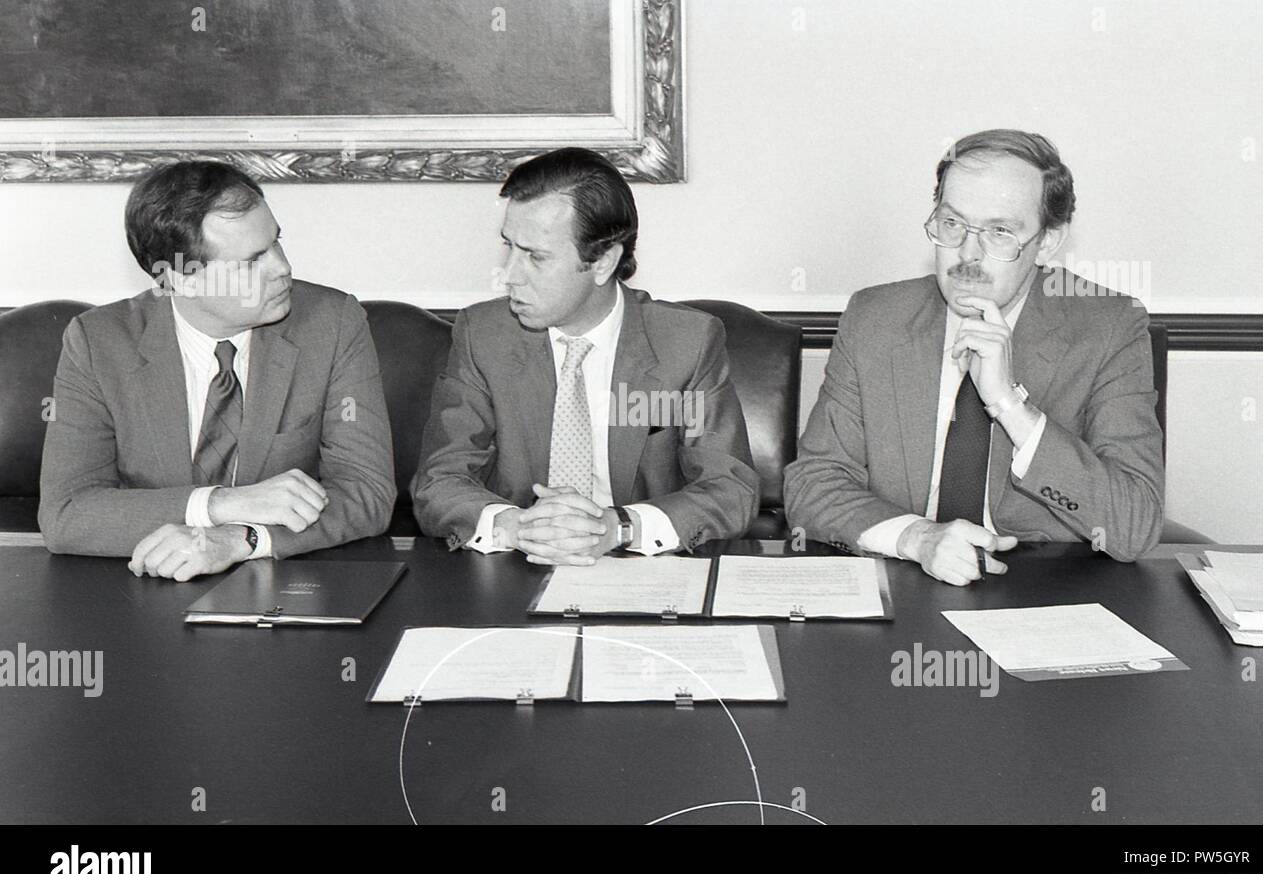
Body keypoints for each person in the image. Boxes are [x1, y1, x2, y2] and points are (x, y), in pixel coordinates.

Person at [785, 129, 1164, 585]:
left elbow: (1134, 526)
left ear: (1047, 242)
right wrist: (918, 538)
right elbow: (813, 484)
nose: (967, 254)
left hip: (1043, 593)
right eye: (952, 225)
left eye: (999, 232)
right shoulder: (875, 319)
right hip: (906, 578)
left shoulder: (1109, 328)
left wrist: (1009, 404)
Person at [39, 160, 396, 579]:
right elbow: (66, 514)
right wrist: (220, 503)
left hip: (285, 587)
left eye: (277, 242)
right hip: (144, 587)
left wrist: (244, 538)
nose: (282, 267)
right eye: (252, 261)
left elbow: (367, 492)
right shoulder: (98, 342)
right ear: (181, 279)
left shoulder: (332, 323)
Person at [413, 147, 758, 563]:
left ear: (603, 262)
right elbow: (439, 480)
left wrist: (617, 527)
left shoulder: (686, 344)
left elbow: (730, 489)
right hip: (515, 566)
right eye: (510, 248)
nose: (509, 275)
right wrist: (517, 526)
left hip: (641, 572)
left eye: (536, 257)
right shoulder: (483, 336)